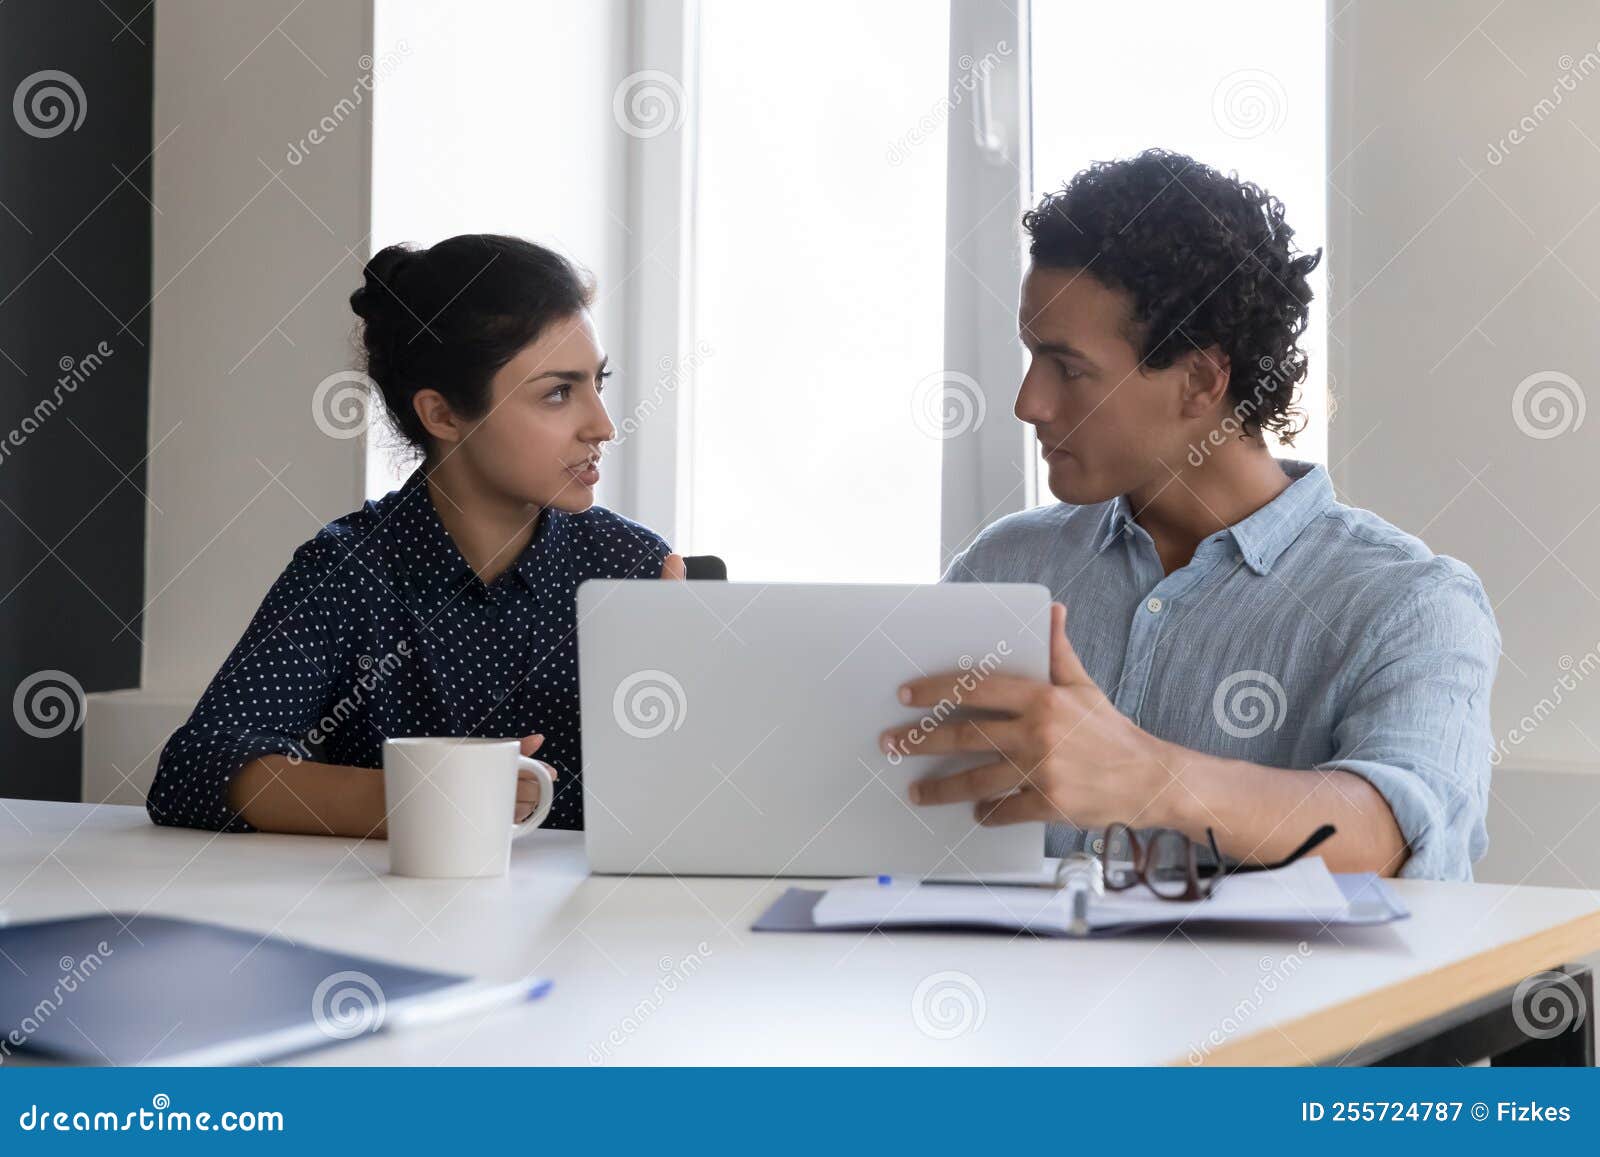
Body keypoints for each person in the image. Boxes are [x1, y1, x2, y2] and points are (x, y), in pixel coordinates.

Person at [883, 149, 1499, 880]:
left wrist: (1150, 779)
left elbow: (1394, 832)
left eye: (1068, 368)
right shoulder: (1005, 567)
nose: (1029, 404)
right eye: (1030, 358)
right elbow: (891, 799)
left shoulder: (1409, 603)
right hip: (1002, 992)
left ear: (1201, 381)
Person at [147, 234, 682, 837]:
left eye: (597, 384)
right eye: (558, 393)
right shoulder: (348, 567)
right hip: (385, 922)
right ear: (443, 414)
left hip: (585, 926)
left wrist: (687, 695)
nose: (603, 426)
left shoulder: (635, 567)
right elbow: (193, 773)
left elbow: (697, 805)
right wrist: (436, 798)